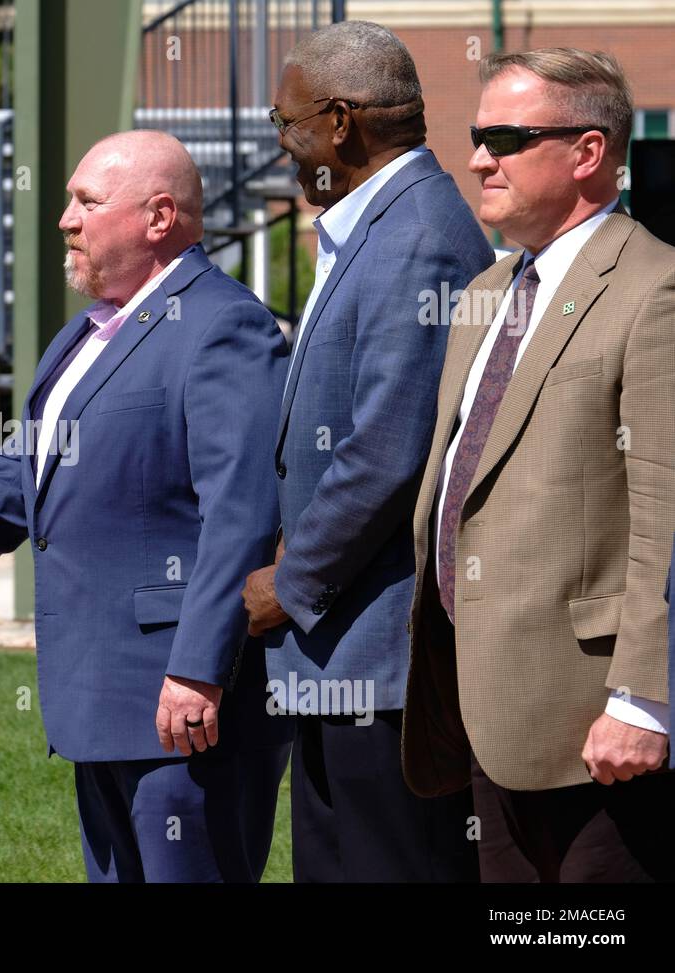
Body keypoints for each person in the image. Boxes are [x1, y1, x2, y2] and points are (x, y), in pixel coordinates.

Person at [0, 130, 292, 883]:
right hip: (102, 698)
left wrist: (199, 668)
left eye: (86, 202)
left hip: (181, 703)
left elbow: (244, 513)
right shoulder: (88, 329)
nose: (65, 218)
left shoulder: (223, 326)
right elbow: (27, 461)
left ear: (158, 217)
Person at [403, 47, 675, 882]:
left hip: (599, 726)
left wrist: (643, 699)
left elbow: (666, 516)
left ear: (589, 153)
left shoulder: (654, 288)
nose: (479, 157)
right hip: (489, 708)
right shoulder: (486, 292)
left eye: (508, 137)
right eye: (479, 135)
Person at [241, 21, 493, 882]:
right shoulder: (373, 227)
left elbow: (387, 450)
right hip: (341, 653)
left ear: (339, 123)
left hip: (381, 658)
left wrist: (293, 577)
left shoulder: (418, 237)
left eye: (286, 122)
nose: (280, 145)